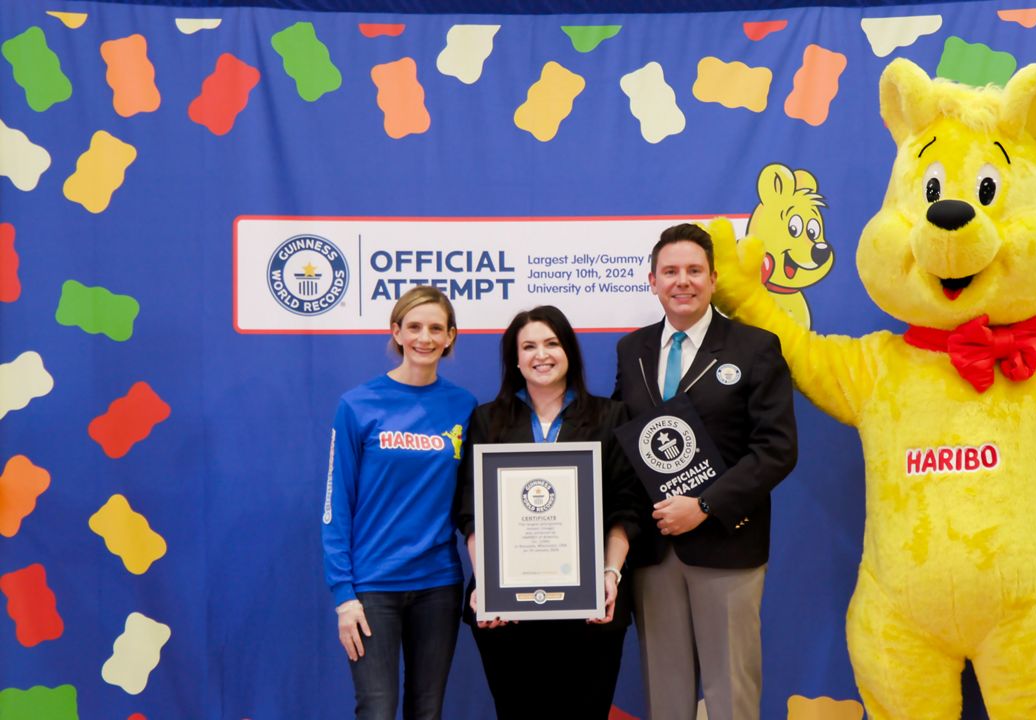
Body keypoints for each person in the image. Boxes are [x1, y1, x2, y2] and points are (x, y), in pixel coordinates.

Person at [612, 223, 798, 720]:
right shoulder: (631, 351)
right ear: (651, 280)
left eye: (694, 270)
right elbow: (621, 439)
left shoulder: (754, 348)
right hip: (655, 547)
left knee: (730, 691)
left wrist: (705, 506)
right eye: (670, 271)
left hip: (726, 544)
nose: (683, 281)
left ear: (714, 279)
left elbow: (776, 449)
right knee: (665, 691)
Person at [457, 305, 645, 719]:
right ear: (515, 358)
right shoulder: (488, 420)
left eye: (551, 343)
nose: (541, 355)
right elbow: (471, 510)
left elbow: (627, 506)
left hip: (591, 605)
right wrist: (489, 584)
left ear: (569, 351)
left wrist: (609, 574)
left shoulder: (610, 417)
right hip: (507, 611)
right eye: (528, 346)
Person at [321, 285, 477, 720]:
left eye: (435, 328)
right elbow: (336, 506)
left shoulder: (464, 407)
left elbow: (474, 501)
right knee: (377, 709)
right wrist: (343, 595)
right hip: (372, 588)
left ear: (450, 337)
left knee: (426, 711)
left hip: (438, 585)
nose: (424, 337)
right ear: (396, 332)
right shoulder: (356, 405)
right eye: (414, 327)